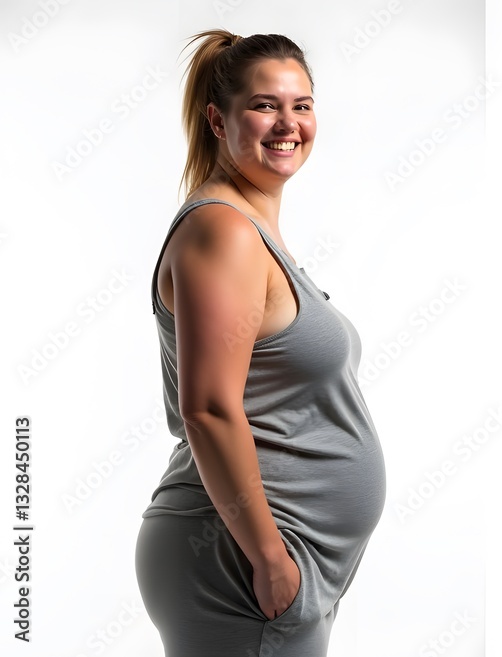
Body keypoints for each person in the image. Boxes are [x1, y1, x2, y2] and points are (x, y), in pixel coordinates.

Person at [134, 30, 386, 657]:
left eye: (302, 105)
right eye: (265, 105)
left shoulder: (247, 227)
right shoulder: (225, 231)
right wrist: (270, 557)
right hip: (242, 557)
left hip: (266, 556)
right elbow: (209, 407)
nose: (288, 123)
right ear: (218, 119)